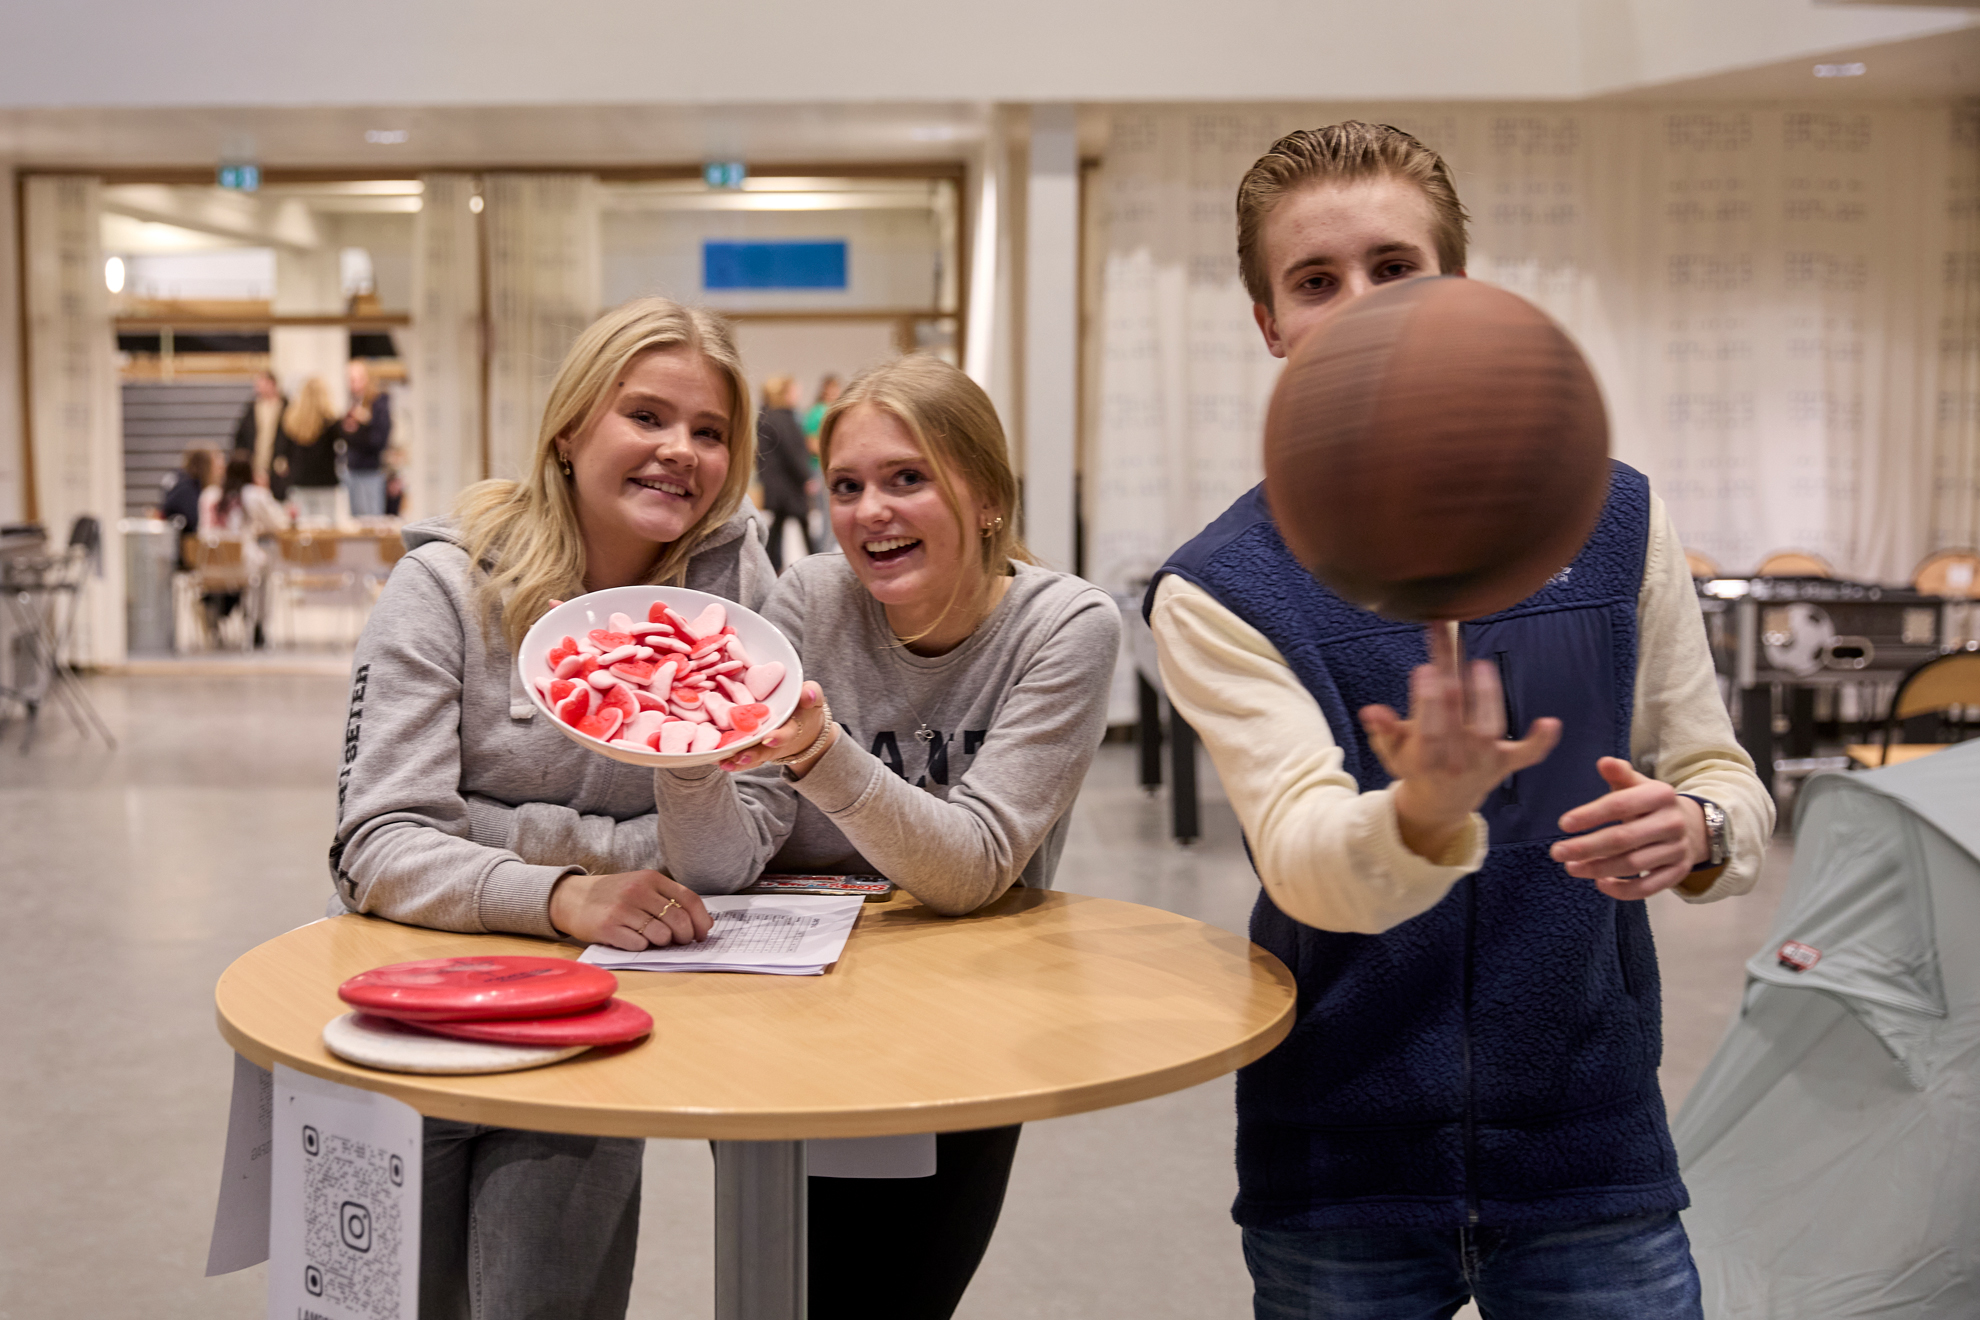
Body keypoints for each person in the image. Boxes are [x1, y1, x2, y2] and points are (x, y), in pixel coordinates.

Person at [1145, 122, 1776, 1320]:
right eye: (1316, 281)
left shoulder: (1613, 518)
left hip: (1592, 1154)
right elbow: (1306, 863)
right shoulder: (1222, 587)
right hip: (1341, 1172)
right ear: (1269, 322)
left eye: (1395, 268)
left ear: (1460, 288)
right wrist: (1425, 815)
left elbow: (1717, 768)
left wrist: (1700, 830)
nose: (1362, 306)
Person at [329, 297, 773, 1320]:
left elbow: (728, 861)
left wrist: (481, 823)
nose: (681, 450)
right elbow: (376, 846)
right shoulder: (441, 588)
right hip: (410, 1013)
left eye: (710, 432)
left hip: (593, 1029)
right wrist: (569, 894)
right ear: (569, 431)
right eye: (646, 416)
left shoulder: (738, 605)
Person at [651, 354, 1121, 1320]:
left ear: (986, 497)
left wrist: (821, 753)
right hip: (783, 1012)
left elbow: (975, 866)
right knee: (777, 1292)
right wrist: (680, 751)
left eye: (908, 478)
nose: (872, 512)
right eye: (848, 486)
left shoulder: (1064, 626)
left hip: (962, 1020)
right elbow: (725, 864)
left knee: (894, 1297)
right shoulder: (810, 599)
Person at [197, 453, 287, 645]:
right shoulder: (254, 494)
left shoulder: (208, 495)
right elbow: (280, 524)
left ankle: (220, 612)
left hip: (207, 566)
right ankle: (257, 625)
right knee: (265, 566)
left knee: (256, 564)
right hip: (241, 566)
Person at [755, 374, 813, 571]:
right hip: (788, 485)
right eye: (795, 391)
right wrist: (806, 477)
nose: (798, 395)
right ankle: (816, 560)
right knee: (801, 526)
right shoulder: (784, 419)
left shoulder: (767, 417)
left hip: (776, 484)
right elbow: (794, 453)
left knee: (778, 528)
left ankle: (771, 565)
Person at [274, 377, 342, 526]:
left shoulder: (291, 420)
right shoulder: (330, 422)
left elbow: (282, 451)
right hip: (325, 483)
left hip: (299, 481)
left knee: (302, 527)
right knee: (327, 529)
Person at [342, 359, 393, 518]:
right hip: (352, 470)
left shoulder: (379, 403)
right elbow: (346, 437)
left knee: (372, 519)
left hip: (371, 471)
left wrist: (365, 423)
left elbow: (380, 440)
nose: (353, 383)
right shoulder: (352, 403)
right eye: (350, 379)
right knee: (356, 519)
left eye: (357, 378)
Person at [156, 445, 217, 570]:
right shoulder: (188, 490)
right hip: (182, 555)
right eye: (217, 467)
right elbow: (195, 524)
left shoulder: (184, 484)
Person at [232, 370, 288, 498]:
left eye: (261, 384)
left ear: (272, 384)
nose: (258, 388)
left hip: (277, 465)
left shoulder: (285, 406)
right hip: (255, 463)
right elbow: (241, 436)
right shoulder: (252, 407)